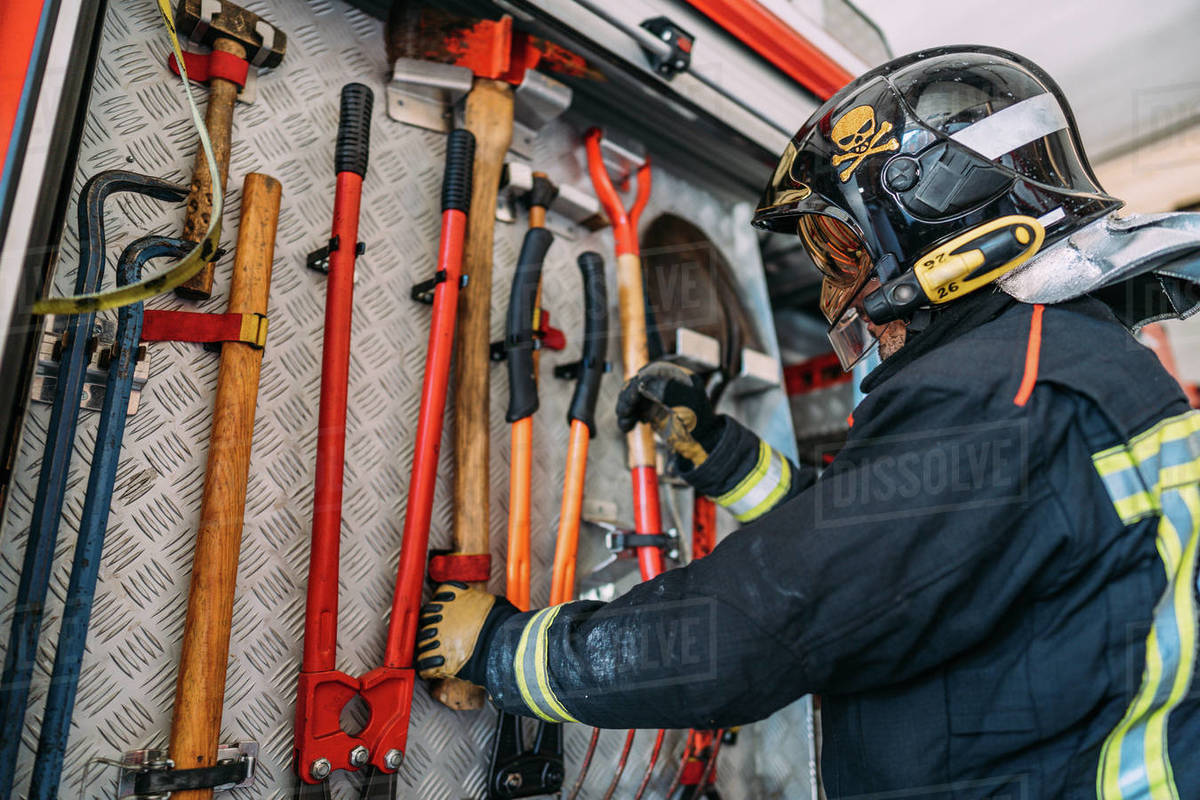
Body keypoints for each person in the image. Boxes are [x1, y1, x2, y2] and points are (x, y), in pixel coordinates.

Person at [416, 46, 1200, 798]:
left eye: (842, 249)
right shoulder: (1056, 363)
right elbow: (882, 558)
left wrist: (508, 652)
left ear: (939, 231)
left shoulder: (1006, 388)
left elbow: (753, 629)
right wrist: (721, 458)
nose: (837, 292)